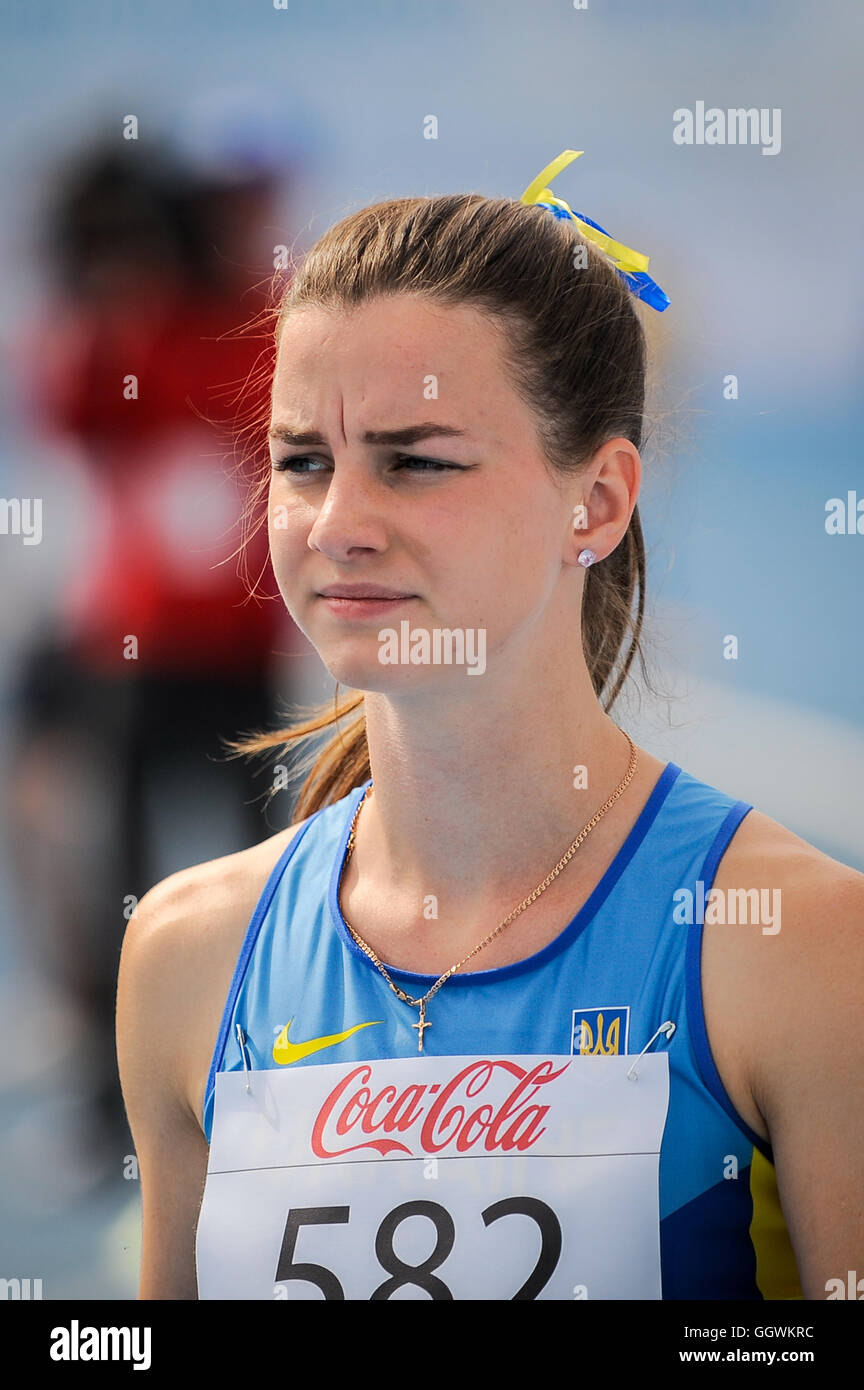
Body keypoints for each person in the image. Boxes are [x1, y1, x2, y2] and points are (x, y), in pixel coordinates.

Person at [116, 151, 864, 1301]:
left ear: (596, 503)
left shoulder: (797, 946)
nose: (339, 523)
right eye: (303, 460)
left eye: (417, 461)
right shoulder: (188, 954)